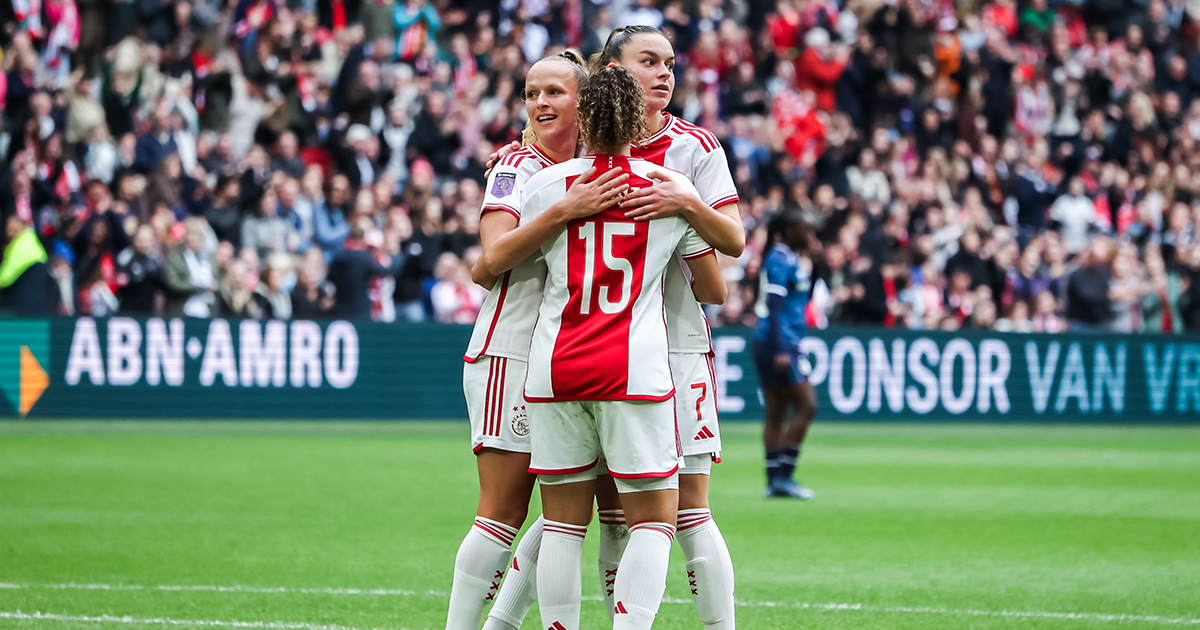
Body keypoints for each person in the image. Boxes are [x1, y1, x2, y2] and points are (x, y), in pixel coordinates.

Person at [485, 24, 746, 630]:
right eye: (648, 62)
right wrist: (684, 214)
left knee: (565, 522)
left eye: (670, 64)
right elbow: (718, 277)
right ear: (614, 73)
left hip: (564, 359)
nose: (664, 75)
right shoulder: (665, 185)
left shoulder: (549, 181)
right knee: (668, 516)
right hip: (642, 358)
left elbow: (493, 262)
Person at [450, 49, 629, 630]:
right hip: (511, 350)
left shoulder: (588, 168)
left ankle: (499, 625)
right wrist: (565, 211)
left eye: (554, 92)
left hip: (568, 361)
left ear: (585, 100)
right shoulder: (516, 169)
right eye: (532, 93)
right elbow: (490, 260)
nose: (541, 103)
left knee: (566, 513)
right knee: (503, 512)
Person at [753, 211, 818, 499]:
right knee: (807, 405)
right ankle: (784, 476)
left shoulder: (788, 258)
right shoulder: (780, 258)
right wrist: (781, 348)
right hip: (777, 342)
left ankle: (774, 480)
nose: (807, 233)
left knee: (777, 410)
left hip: (772, 341)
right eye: (802, 228)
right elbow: (775, 306)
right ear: (784, 232)